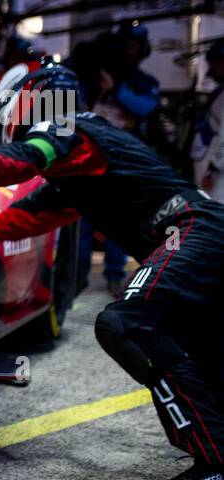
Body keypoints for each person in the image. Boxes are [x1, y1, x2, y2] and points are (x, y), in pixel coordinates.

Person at [0, 63, 224, 480]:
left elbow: (17, 161)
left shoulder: (69, 128)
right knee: (197, 346)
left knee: (125, 326)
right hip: (205, 230)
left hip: (191, 228)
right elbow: (26, 215)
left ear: (33, 98)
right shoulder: (80, 160)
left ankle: (217, 467)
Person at [67, 21, 162, 296]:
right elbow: (75, 110)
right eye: (126, 44)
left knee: (119, 223)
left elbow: (144, 109)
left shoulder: (145, 82)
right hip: (88, 158)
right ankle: (77, 277)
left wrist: (117, 88)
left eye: (135, 45)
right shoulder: (91, 79)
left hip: (124, 162)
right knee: (82, 219)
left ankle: (114, 277)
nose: (130, 50)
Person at [190, 41, 224, 203]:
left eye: (215, 64)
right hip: (207, 165)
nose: (212, 69)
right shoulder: (219, 92)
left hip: (216, 177)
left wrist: (213, 169)